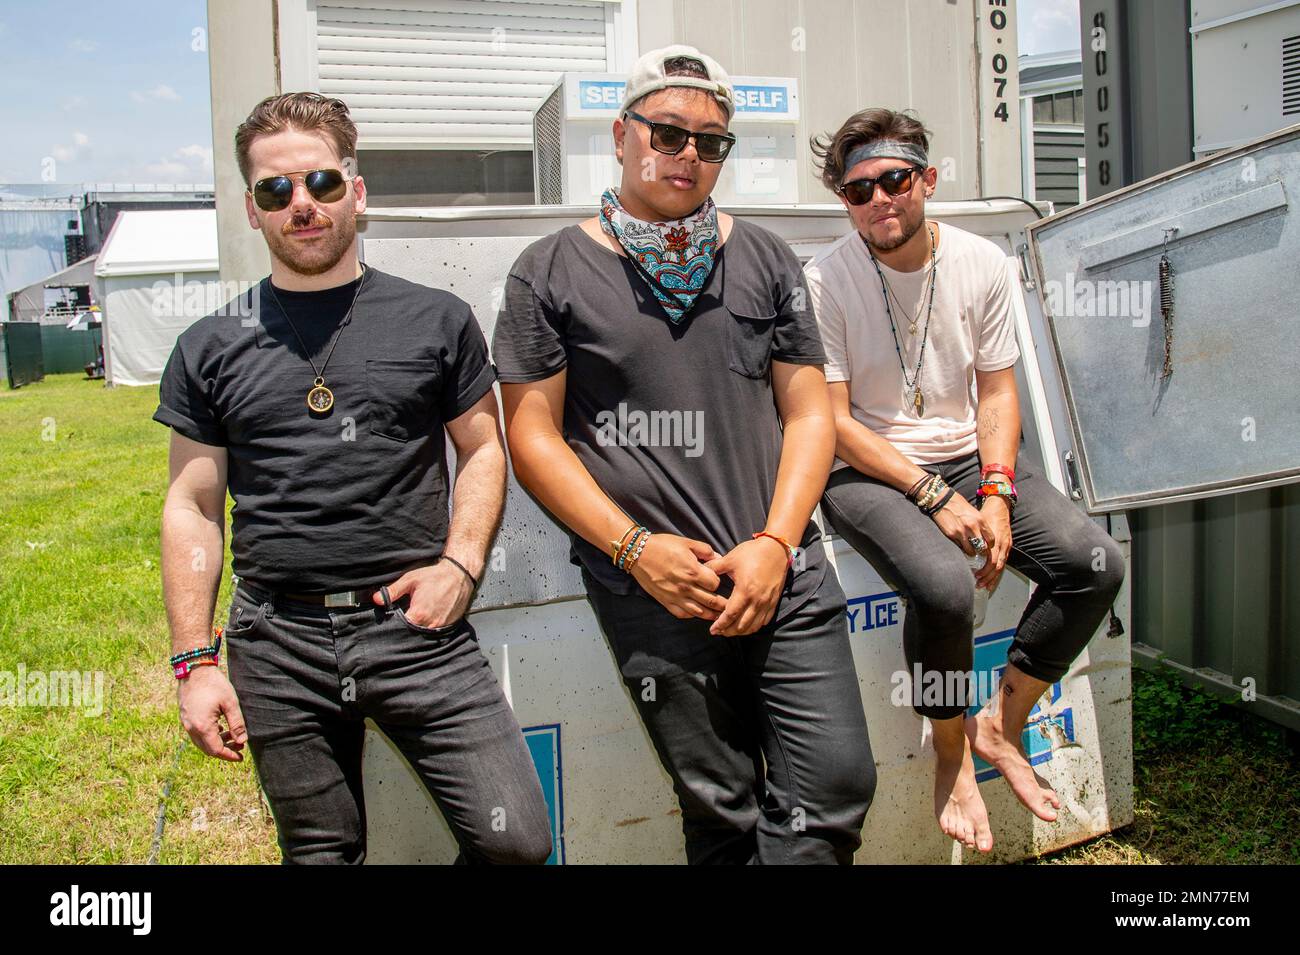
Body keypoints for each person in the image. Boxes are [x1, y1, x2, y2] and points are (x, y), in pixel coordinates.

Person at [492, 46, 875, 864]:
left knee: (836, 789)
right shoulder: (548, 271)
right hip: (654, 587)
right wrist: (636, 550)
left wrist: (777, 542)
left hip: (783, 570)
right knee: (721, 809)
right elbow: (530, 436)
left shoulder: (766, 258)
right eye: (669, 134)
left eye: (711, 141)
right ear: (624, 136)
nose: (689, 155)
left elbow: (811, 413)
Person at [155, 92, 551, 864]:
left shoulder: (436, 319)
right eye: (277, 190)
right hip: (276, 639)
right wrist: (194, 661)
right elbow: (193, 504)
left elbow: (484, 448)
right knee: (321, 852)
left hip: (417, 632)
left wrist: (461, 567)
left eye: (321, 183)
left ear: (356, 192)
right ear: (252, 208)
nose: (301, 204)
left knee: (519, 843)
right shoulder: (209, 344)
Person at [804, 107, 1125, 853]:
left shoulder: (983, 262)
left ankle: (1000, 724)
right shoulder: (824, 279)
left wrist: (996, 492)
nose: (880, 200)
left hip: (964, 458)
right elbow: (834, 423)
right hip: (865, 466)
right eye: (859, 191)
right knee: (946, 588)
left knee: (1094, 562)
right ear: (846, 202)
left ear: (927, 180)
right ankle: (949, 750)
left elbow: (998, 391)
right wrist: (933, 496)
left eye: (895, 179)